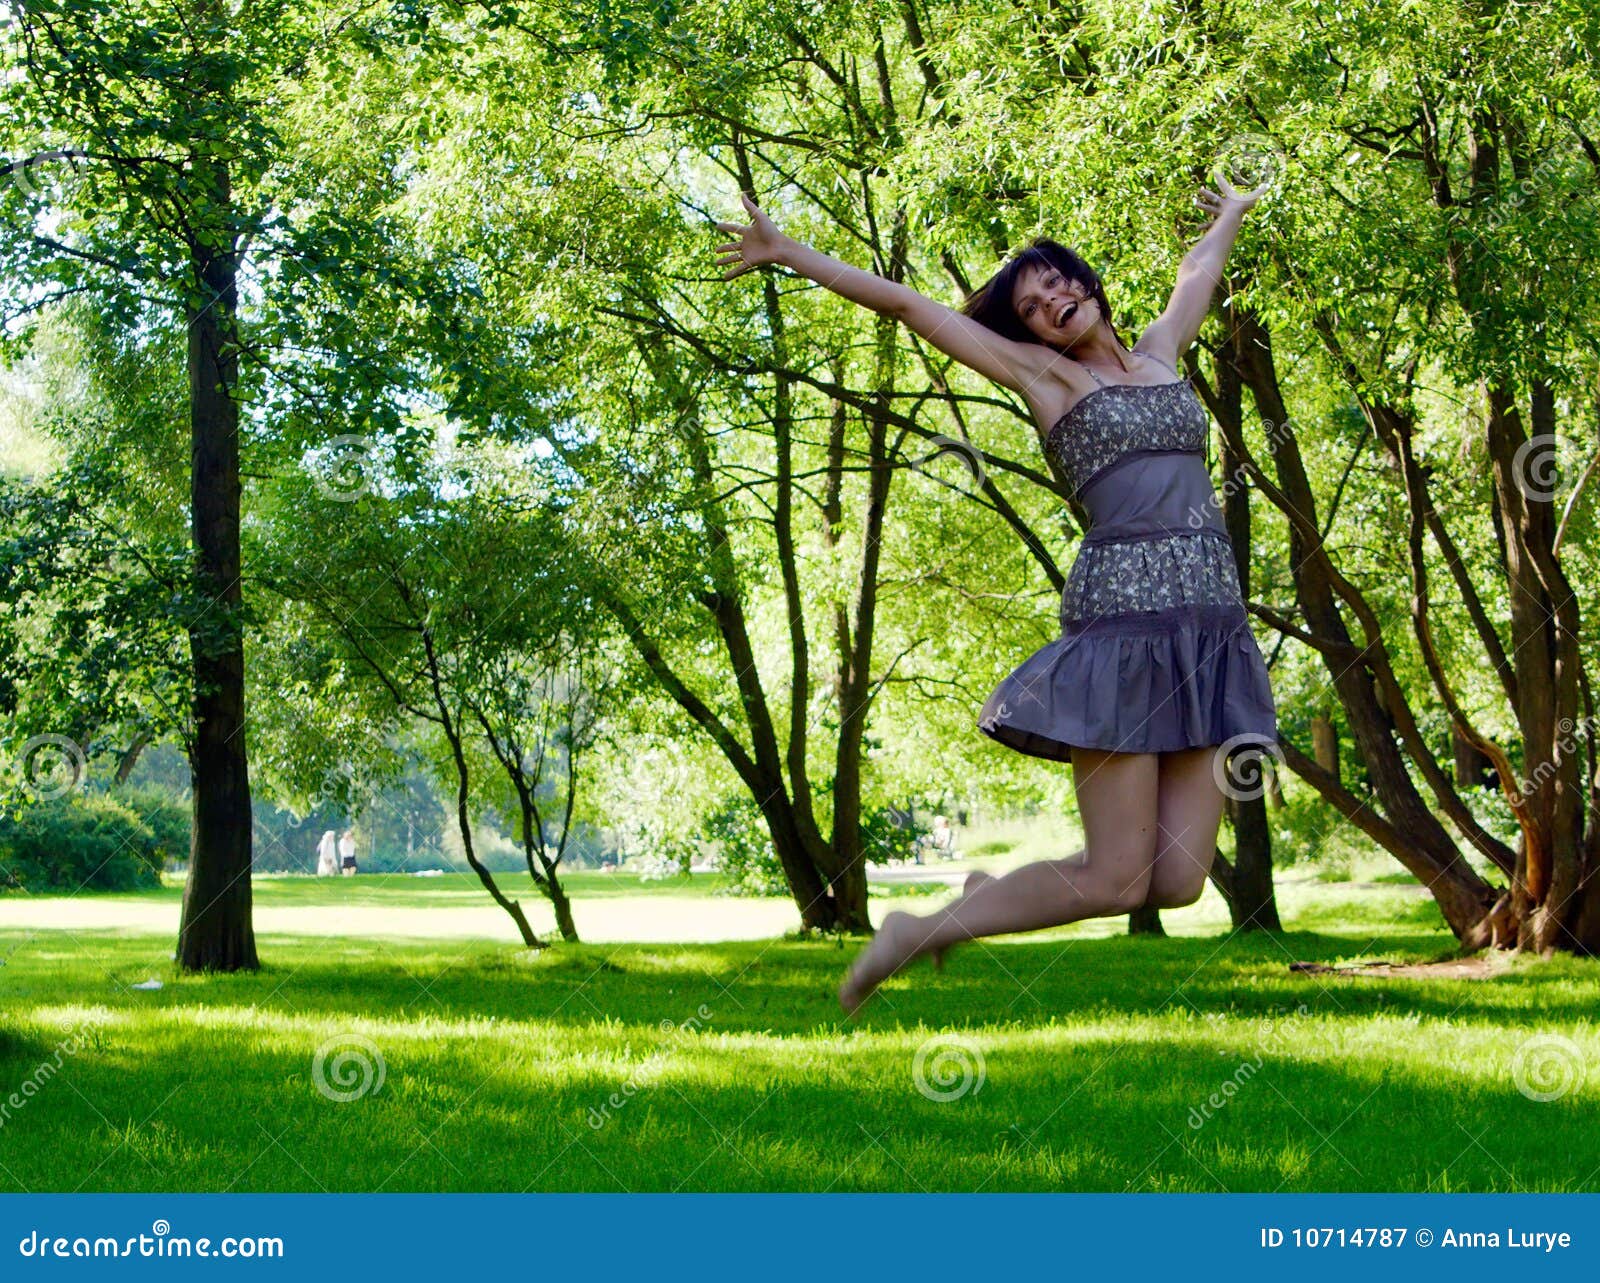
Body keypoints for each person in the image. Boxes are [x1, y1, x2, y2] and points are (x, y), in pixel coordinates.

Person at [713, 175, 1281, 1018]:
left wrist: (1231, 211)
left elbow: (1195, 276)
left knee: (1179, 881)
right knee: (1118, 874)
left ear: (1086, 283)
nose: (1053, 297)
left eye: (1059, 278)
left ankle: (982, 897)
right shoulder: (1049, 382)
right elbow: (911, 307)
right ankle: (921, 927)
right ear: (1023, 330)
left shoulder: (1161, 355)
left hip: (1206, 633)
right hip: (1123, 636)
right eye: (1032, 299)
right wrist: (788, 253)